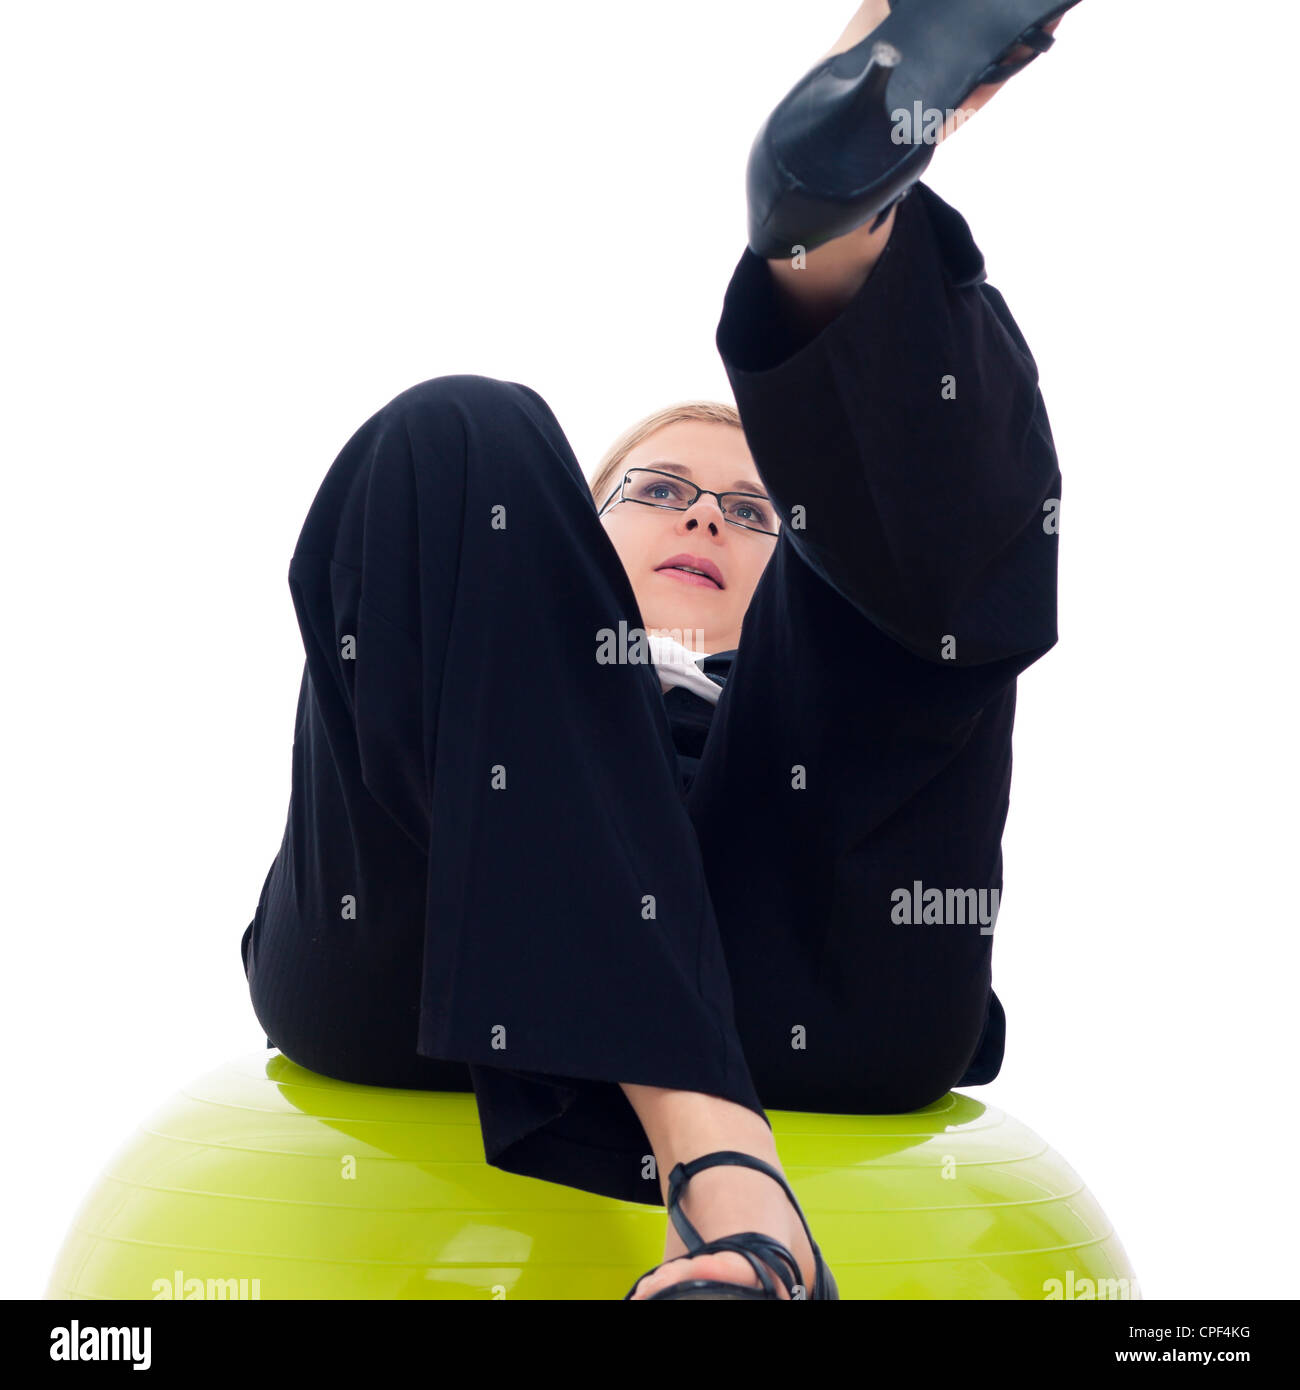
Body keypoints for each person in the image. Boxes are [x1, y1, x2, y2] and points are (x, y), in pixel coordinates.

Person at [240, 0, 1068, 1299]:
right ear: (580, 541)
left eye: (750, 510)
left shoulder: (799, 672)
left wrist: (815, 533)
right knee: (460, 432)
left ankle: (841, 225)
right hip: (427, 945)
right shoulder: (517, 560)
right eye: (658, 490)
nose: (702, 513)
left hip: (797, 955)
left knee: (870, 588)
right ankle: (726, 1171)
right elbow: (461, 568)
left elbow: (901, 613)